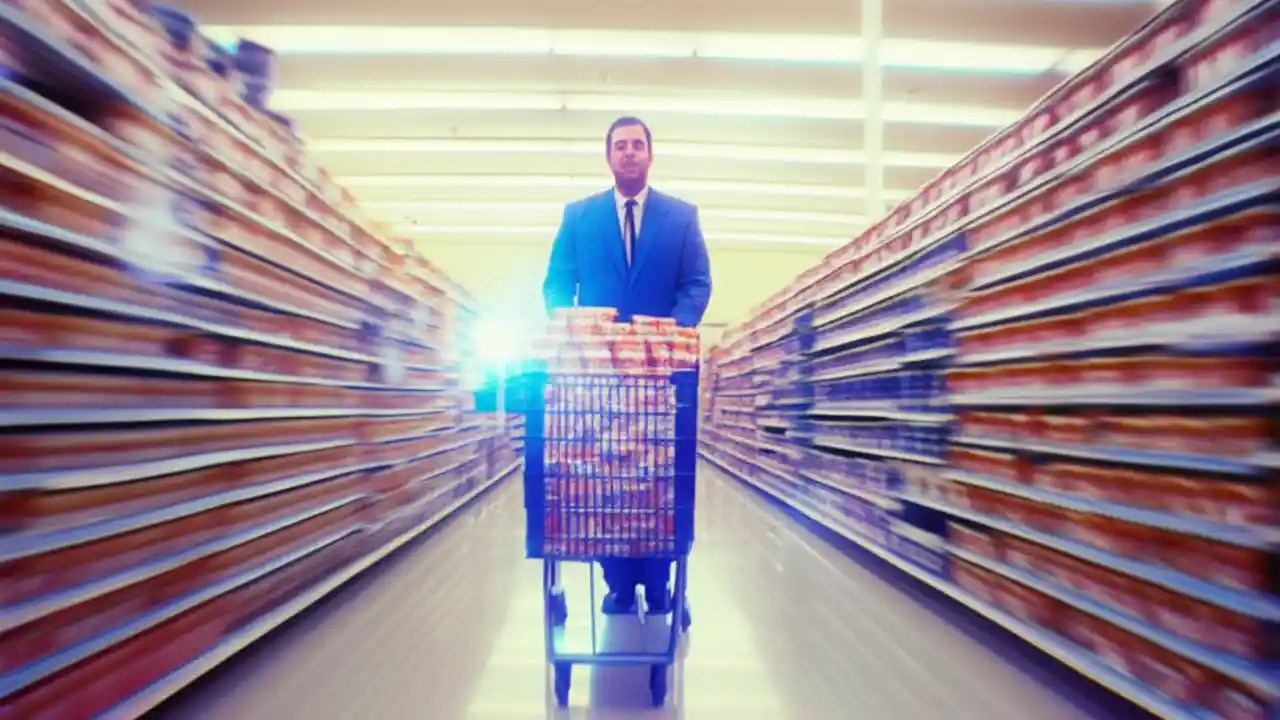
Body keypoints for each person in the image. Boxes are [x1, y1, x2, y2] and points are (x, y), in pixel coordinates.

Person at [542, 116, 712, 614]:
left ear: (650, 155)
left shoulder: (681, 217)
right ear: (609, 156)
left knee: (659, 476)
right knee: (608, 476)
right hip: (599, 378)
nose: (630, 152)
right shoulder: (579, 217)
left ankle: (660, 581)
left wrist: (666, 337)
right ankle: (617, 580)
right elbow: (556, 283)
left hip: (663, 375)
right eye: (621, 145)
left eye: (638, 144)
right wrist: (574, 331)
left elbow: (697, 283)